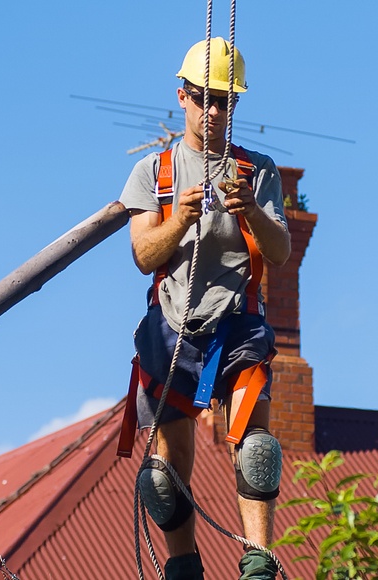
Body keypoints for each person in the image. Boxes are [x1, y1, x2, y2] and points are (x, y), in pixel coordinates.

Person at [118, 37, 291, 580]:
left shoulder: (255, 170)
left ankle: (258, 563)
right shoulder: (156, 173)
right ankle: (184, 566)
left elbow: (281, 252)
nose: (214, 111)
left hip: (235, 324)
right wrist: (179, 219)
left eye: (225, 101)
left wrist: (251, 213)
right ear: (183, 97)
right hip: (174, 329)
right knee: (163, 479)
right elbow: (144, 256)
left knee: (256, 448)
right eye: (203, 98)